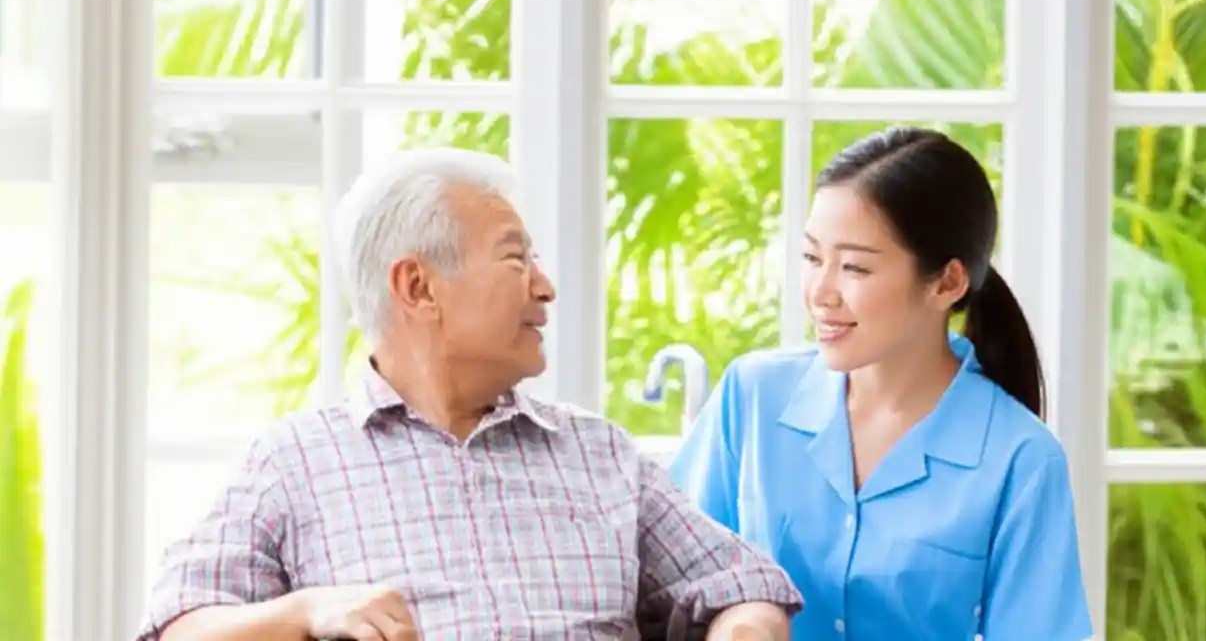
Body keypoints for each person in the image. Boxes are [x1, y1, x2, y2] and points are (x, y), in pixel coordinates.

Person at [137, 149, 802, 641]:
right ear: (418, 287)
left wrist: (746, 629)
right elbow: (178, 624)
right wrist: (309, 610)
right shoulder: (296, 462)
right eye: (516, 259)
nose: (545, 287)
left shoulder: (599, 454)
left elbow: (744, 587)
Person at [669, 127, 1093, 640]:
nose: (821, 292)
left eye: (854, 267)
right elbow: (667, 581)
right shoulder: (752, 397)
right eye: (810, 258)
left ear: (947, 282)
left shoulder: (1019, 459)